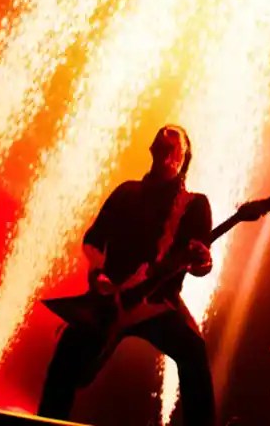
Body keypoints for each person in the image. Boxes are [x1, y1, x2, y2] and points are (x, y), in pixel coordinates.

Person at [38, 124, 216, 426]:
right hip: (112, 298)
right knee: (68, 350)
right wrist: (98, 275)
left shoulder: (196, 204)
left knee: (194, 352)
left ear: (184, 157)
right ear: (151, 149)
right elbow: (93, 240)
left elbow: (201, 265)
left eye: (173, 149)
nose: (166, 153)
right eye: (161, 146)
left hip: (159, 303)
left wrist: (203, 261)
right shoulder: (127, 192)